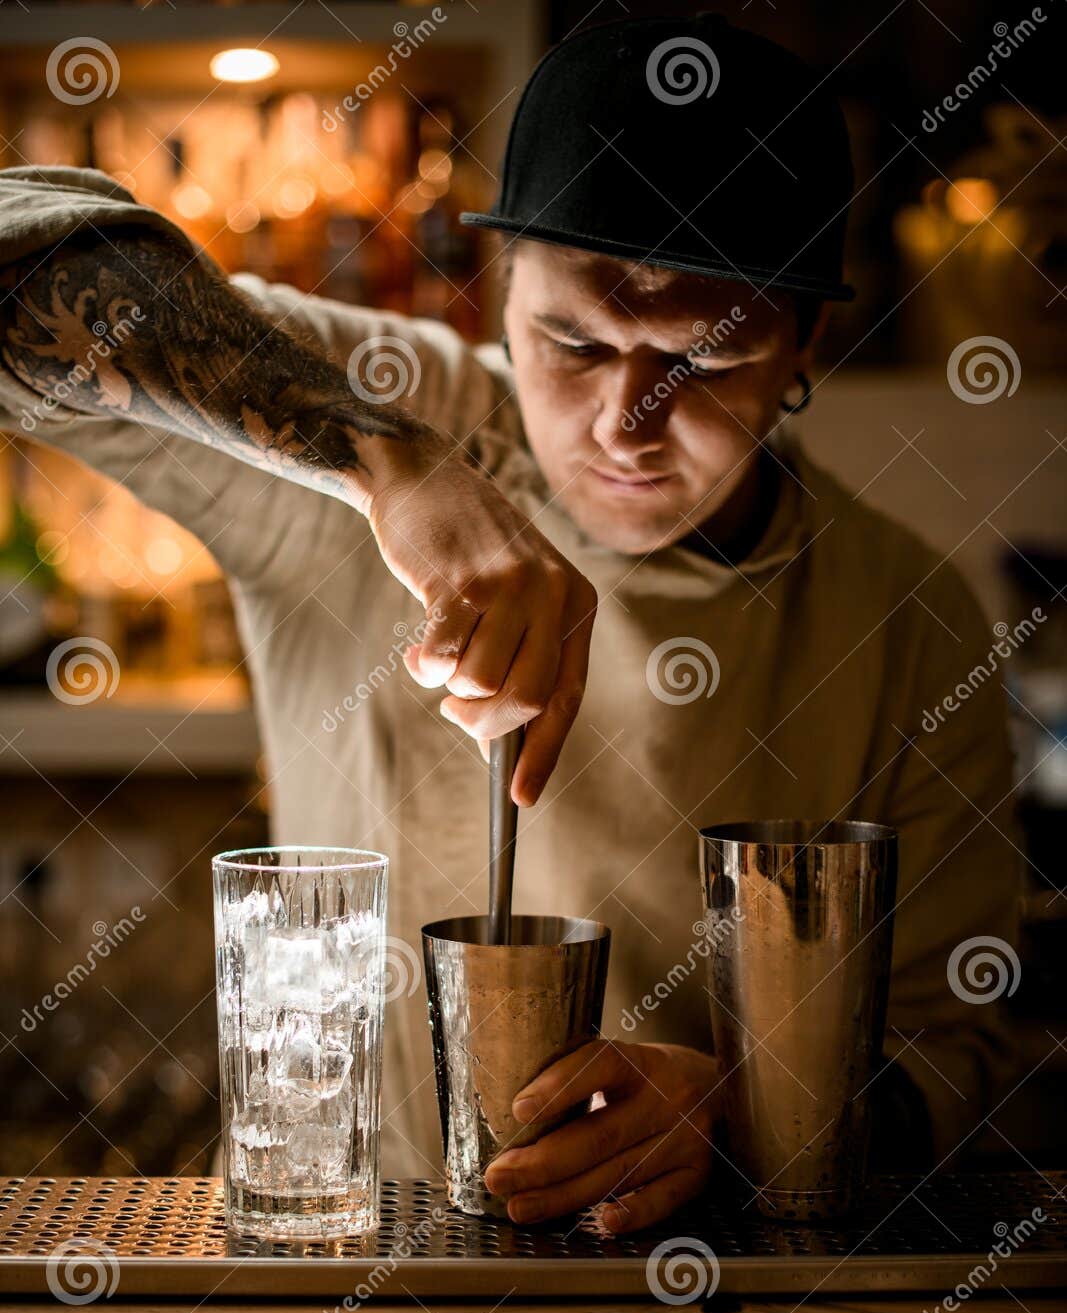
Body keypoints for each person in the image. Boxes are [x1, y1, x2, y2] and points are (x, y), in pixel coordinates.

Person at [0, 15, 1018, 1230]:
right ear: (497, 296)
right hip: (344, 1263)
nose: (623, 422)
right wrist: (387, 464)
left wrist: (743, 1110)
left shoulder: (903, 619)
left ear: (806, 342)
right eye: (573, 342)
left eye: (706, 360)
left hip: (712, 1306)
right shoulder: (385, 405)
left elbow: (967, 1057)